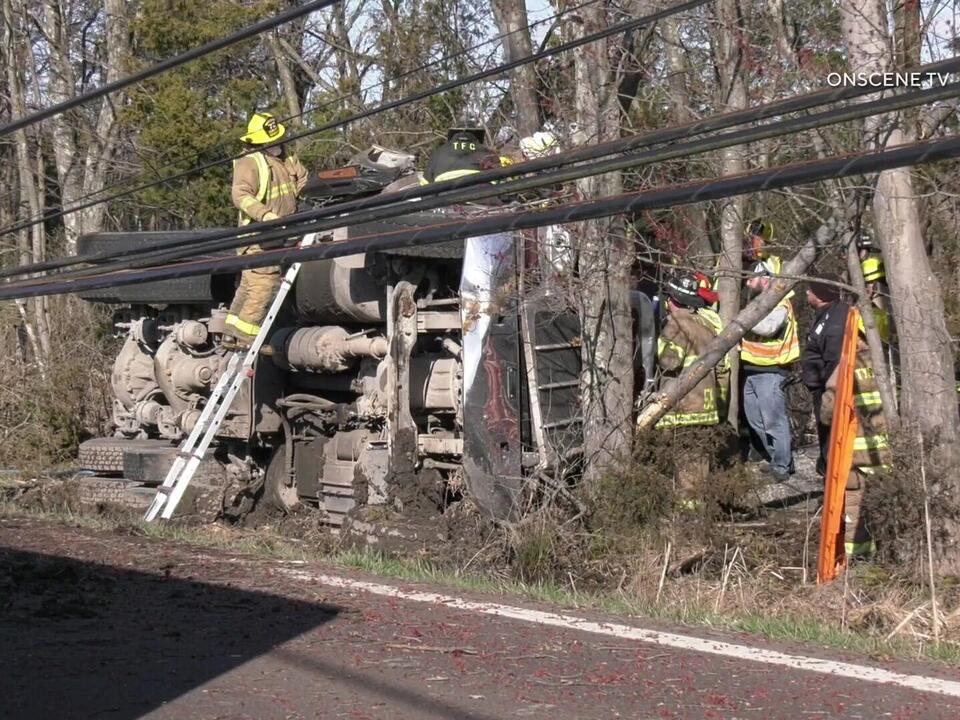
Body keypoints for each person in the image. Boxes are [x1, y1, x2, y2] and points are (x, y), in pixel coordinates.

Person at [225, 111, 308, 349]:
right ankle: (247, 338)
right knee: (264, 284)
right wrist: (266, 216)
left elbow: (302, 180)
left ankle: (231, 333)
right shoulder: (250, 162)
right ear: (259, 142)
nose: (278, 145)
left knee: (249, 285)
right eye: (272, 141)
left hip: (282, 235)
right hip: (259, 237)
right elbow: (240, 196)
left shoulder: (287, 158)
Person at [821, 314, 891, 558]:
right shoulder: (895, 366)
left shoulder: (849, 366)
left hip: (853, 458)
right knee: (890, 509)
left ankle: (857, 564)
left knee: (855, 514)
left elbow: (828, 411)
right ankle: (889, 556)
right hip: (889, 456)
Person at [655, 273, 721, 503]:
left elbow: (670, 362)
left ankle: (688, 521)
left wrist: (661, 342)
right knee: (699, 466)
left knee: (685, 469)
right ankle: (701, 512)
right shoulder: (705, 324)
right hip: (706, 406)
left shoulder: (676, 325)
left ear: (671, 301)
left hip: (685, 408)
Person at [740, 258, 800, 481]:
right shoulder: (758, 302)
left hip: (771, 371)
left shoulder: (781, 304)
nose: (747, 283)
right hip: (752, 370)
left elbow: (768, 328)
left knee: (774, 421)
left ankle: (783, 466)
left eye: (751, 278)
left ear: (766, 279)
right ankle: (777, 458)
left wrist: (741, 320)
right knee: (755, 420)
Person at [800, 279, 849, 476]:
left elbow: (834, 360)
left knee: (832, 436)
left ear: (820, 296)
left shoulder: (836, 320)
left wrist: (829, 391)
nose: (806, 294)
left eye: (809, 291)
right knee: (826, 436)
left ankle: (832, 477)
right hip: (821, 387)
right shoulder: (825, 316)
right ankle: (827, 470)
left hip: (831, 390)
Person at [421, 120, 501, 184]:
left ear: (454, 135)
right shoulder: (488, 153)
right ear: (476, 135)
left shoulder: (439, 152)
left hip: (446, 200)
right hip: (483, 199)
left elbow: (425, 185)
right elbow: (501, 180)